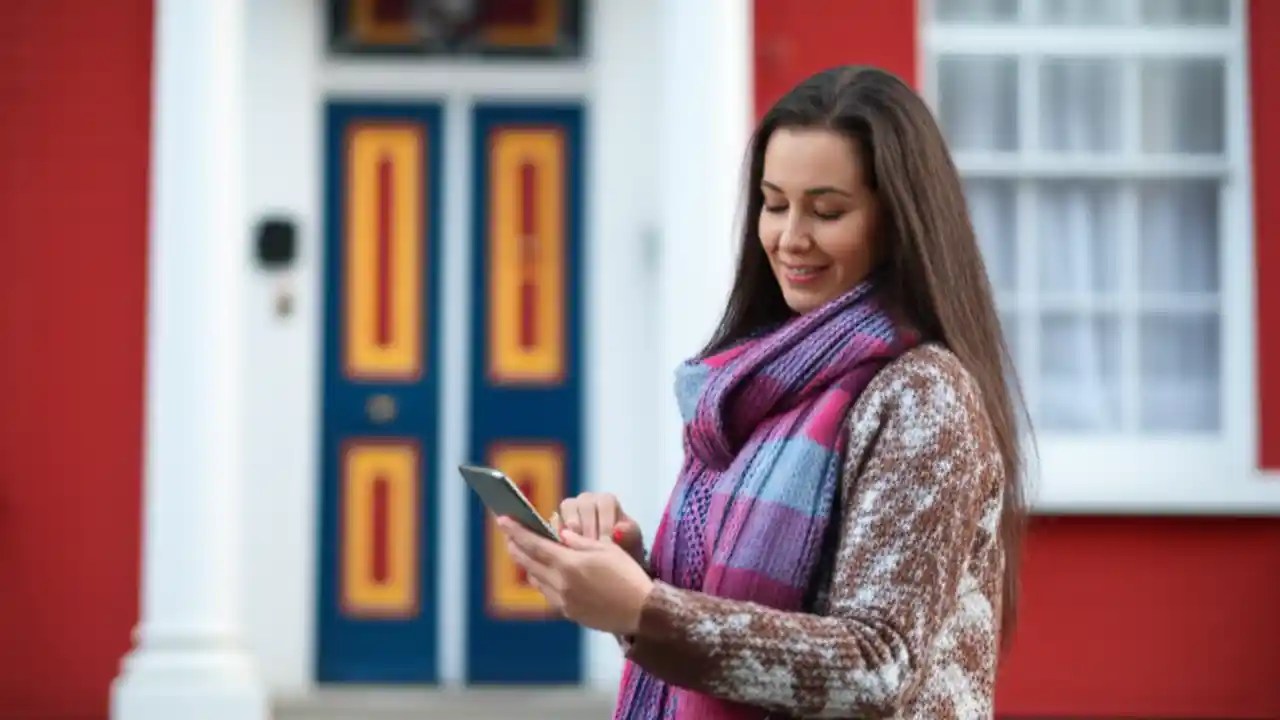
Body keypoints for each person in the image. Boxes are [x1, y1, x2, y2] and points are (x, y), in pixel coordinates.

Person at [497, 65, 1029, 720]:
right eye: (775, 204)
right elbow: (739, 627)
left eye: (827, 211)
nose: (789, 237)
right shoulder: (755, 390)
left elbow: (877, 666)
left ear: (899, 221)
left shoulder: (922, 394)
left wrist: (645, 610)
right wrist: (633, 572)